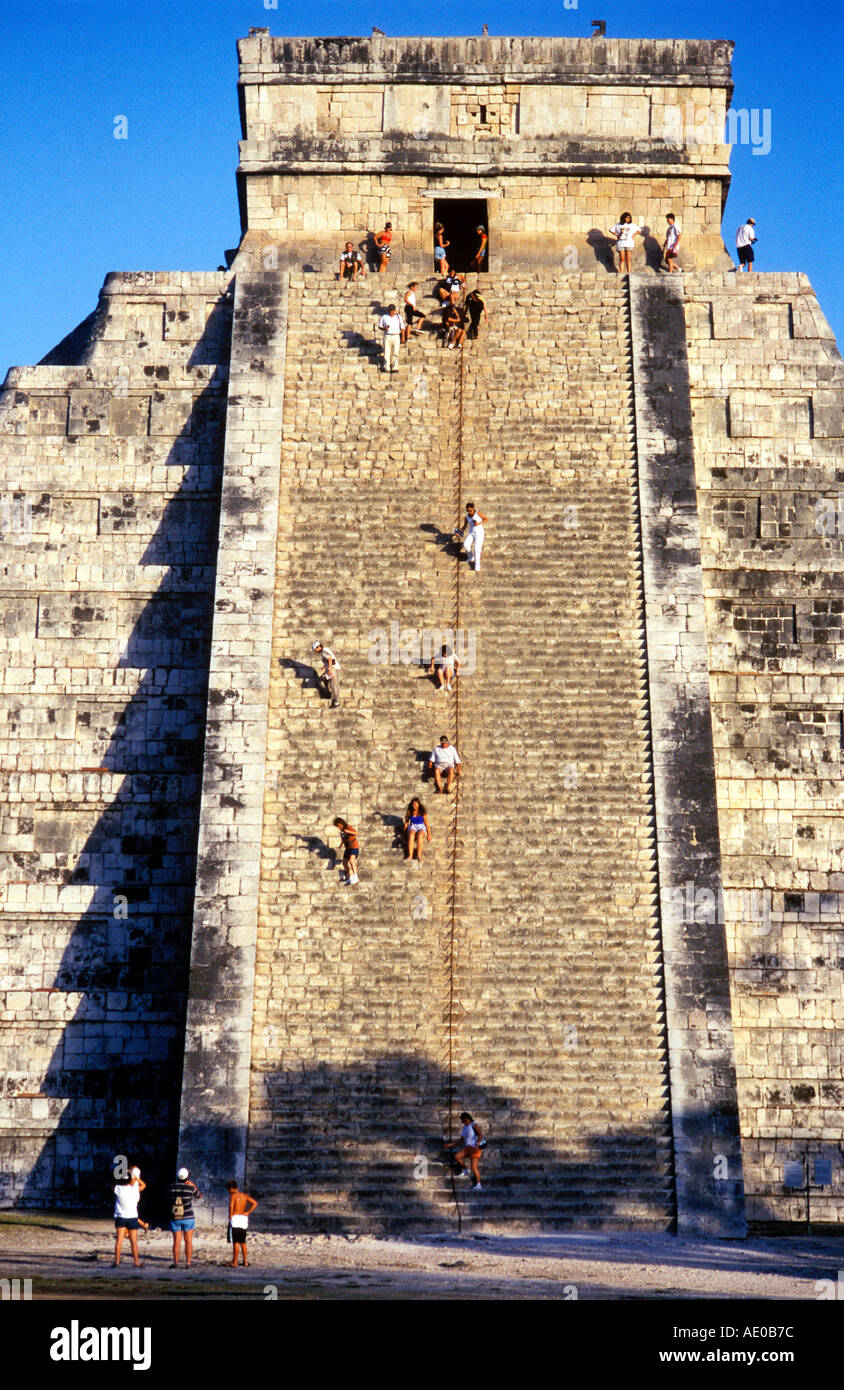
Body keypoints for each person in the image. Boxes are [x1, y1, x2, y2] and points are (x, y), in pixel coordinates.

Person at [168, 1166, 202, 1268]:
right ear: (187, 1177)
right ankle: (188, 1263)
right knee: (188, 1241)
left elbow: (168, 1197)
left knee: (176, 1241)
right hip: (188, 1216)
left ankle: (176, 1263)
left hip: (175, 1217)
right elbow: (199, 1196)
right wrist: (193, 1185)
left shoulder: (171, 1187)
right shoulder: (190, 1188)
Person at [113, 1165, 146, 1268]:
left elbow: (115, 1183)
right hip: (132, 1217)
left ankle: (117, 1262)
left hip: (120, 1217)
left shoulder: (119, 1189)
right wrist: (137, 1178)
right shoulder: (134, 1189)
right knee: (134, 1242)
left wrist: (125, 1174)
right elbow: (144, 1185)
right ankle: (136, 1262)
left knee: (119, 1241)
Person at [446, 1112, 484, 1190]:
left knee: (474, 1168)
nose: (464, 1122)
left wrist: (477, 1144)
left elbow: (480, 1135)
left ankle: (479, 1184)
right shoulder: (465, 1128)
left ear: (469, 1119)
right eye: (463, 1121)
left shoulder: (474, 1124)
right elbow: (462, 1139)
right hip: (468, 1148)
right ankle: (465, 1169)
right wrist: (451, 1145)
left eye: (465, 1121)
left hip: (475, 1148)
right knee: (457, 1156)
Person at [226, 1180, 258, 1268]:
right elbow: (255, 1203)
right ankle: (245, 1262)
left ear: (231, 1189)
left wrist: (230, 1215)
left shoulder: (233, 1196)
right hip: (243, 1218)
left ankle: (235, 1262)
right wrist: (248, 1212)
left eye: (229, 1190)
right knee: (243, 1242)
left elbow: (231, 1205)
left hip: (236, 1218)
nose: (229, 1192)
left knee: (236, 1242)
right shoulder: (244, 1196)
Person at [456, 502, 488, 572]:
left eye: (470, 510)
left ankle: (477, 566)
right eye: (468, 510)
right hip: (471, 532)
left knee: (477, 549)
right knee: (465, 544)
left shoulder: (478, 513)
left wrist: (479, 523)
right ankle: (471, 556)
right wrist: (459, 532)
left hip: (479, 533)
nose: (469, 512)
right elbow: (464, 526)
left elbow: (486, 519)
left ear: (473, 509)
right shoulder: (467, 516)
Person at [311, 641, 340, 707]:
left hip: (333, 669)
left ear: (318, 647)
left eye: (315, 649)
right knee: (321, 680)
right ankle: (329, 695)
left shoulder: (324, 651)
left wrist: (329, 670)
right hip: (330, 668)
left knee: (334, 685)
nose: (315, 651)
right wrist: (325, 667)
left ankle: (336, 701)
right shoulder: (324, 652)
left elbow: (330, 658)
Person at [403, 797, 431, 862]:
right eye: (413, 804)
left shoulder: (422, 812)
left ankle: (419, 855)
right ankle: (410, 856)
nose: (414, 805)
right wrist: (404, 833)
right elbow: (406, 823)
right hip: (412, 826)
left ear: (418, 804)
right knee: (411, 834)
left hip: (421, 826)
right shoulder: (409, 812)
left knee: (420, 835)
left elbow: (427, 824)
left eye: (415, 804)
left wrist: (429, 835)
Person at [333, 817, 360, 884]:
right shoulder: (342, 830)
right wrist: (340, 845)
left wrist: (348, 831)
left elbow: (356, 833)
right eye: (337, 826)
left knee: (351, 861)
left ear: (340, 823)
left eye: (338, 826)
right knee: (344, 863)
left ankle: (355, 877)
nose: (338, 827)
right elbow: (343, 839)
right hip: (347, 848)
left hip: (354, 847)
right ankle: (351, 877)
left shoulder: (348, 827)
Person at [379, 304, 401, 373]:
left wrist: (403, 337)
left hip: (396, 335)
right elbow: (380, 326)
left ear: (395, 310)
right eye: (390, 310)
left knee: (395, 352)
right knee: (386, 352)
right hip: (387, 335)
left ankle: (395, 367)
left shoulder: (398, 316)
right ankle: (387, 367)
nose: (392, 312)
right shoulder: (384, 316)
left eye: (393, 310)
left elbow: (402, 327)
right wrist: (384, 328)